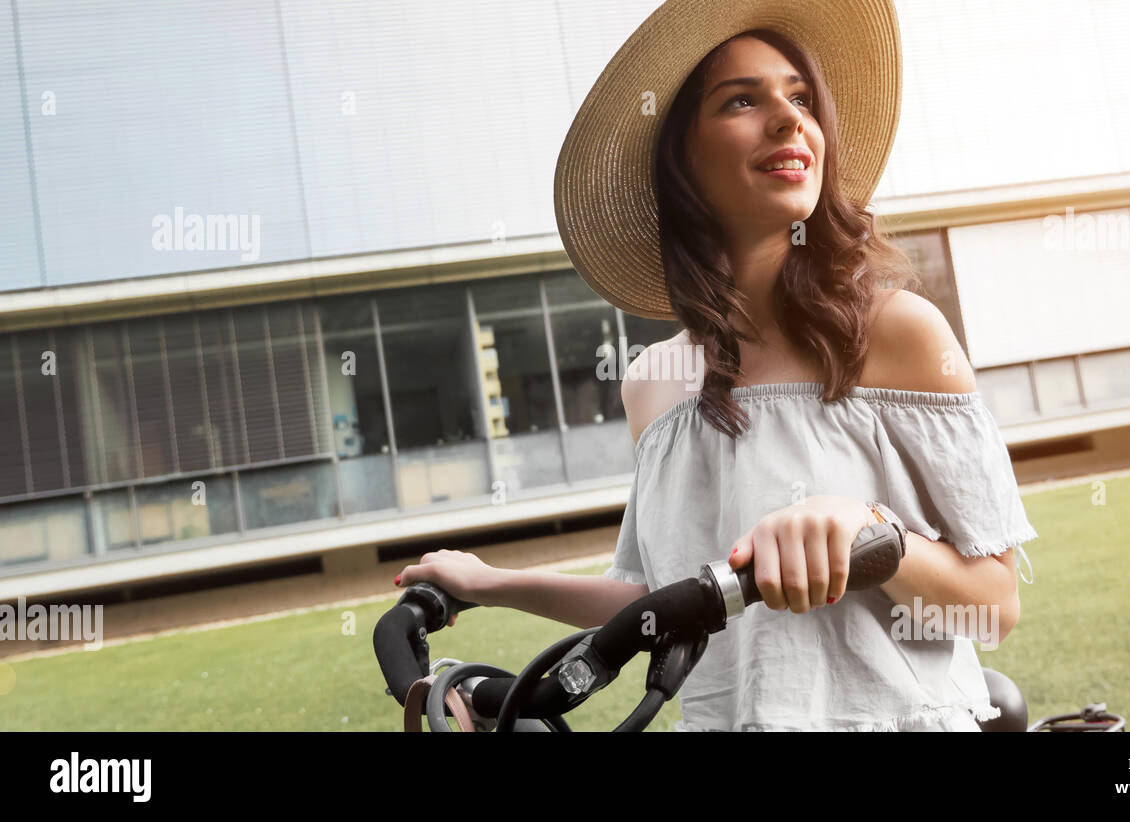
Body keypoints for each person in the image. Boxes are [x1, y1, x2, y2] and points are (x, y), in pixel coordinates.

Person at [396, 0, 1038, 731]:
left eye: (800, 97)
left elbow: (995, 609)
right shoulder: (650, 385)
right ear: (682, 160)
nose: (788, 118)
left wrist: (872, 536)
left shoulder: (900, 334)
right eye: (742, 99)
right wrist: (487, 583)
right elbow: (660, 601)